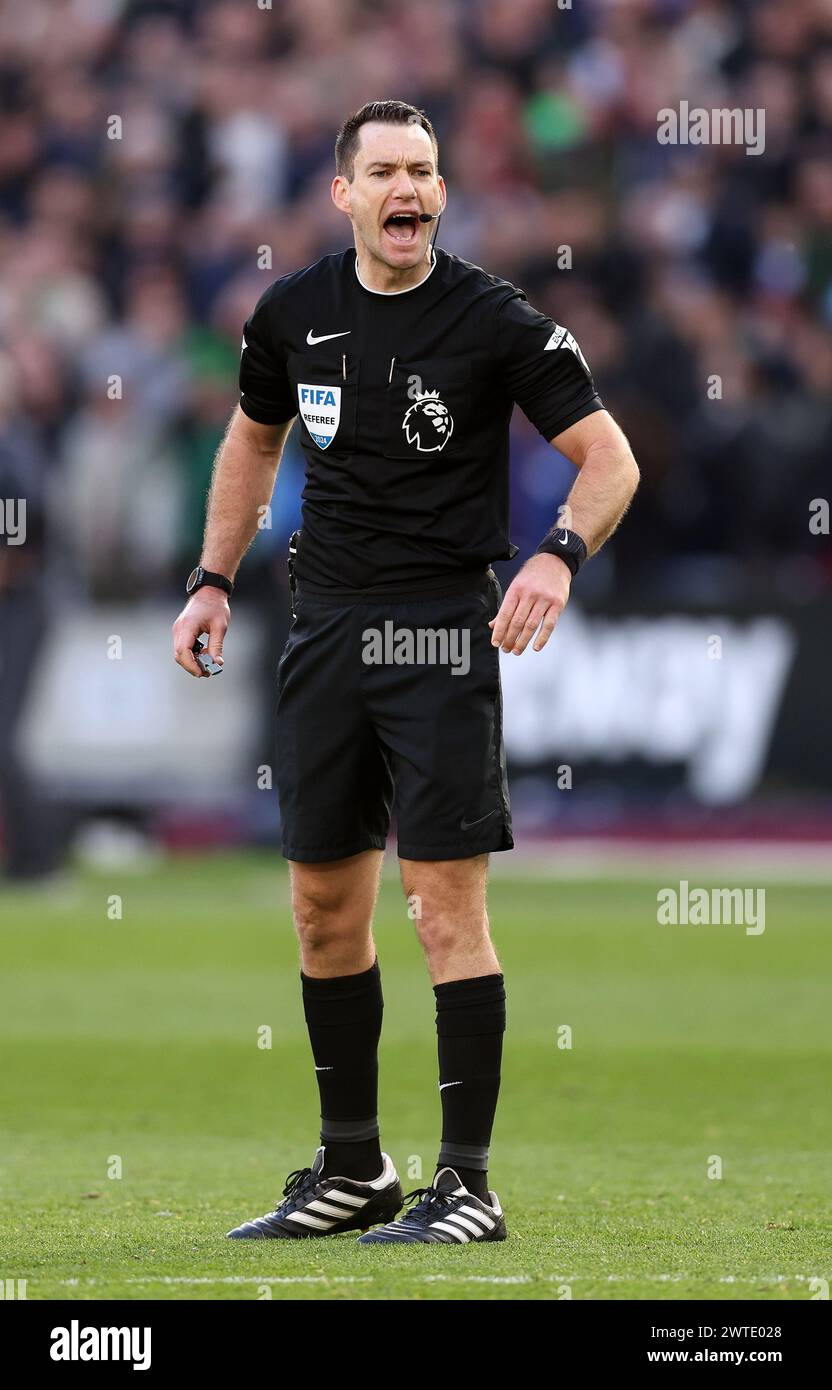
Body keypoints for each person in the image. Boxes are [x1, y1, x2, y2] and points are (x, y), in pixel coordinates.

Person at [172, 100, 639, 1245]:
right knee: (323, 910)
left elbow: (608, 458)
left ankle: (467, 1184)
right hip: (323, 627)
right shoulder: (293, 314)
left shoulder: (493, 319)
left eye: (424, 173)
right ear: (343, 192)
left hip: (437, 632)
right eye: (384, 172)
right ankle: (354, 1170)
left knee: (440, 908)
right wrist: (212, 577)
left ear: (442, 191)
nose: (408, 192)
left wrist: (556, 558)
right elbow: (250, 438)